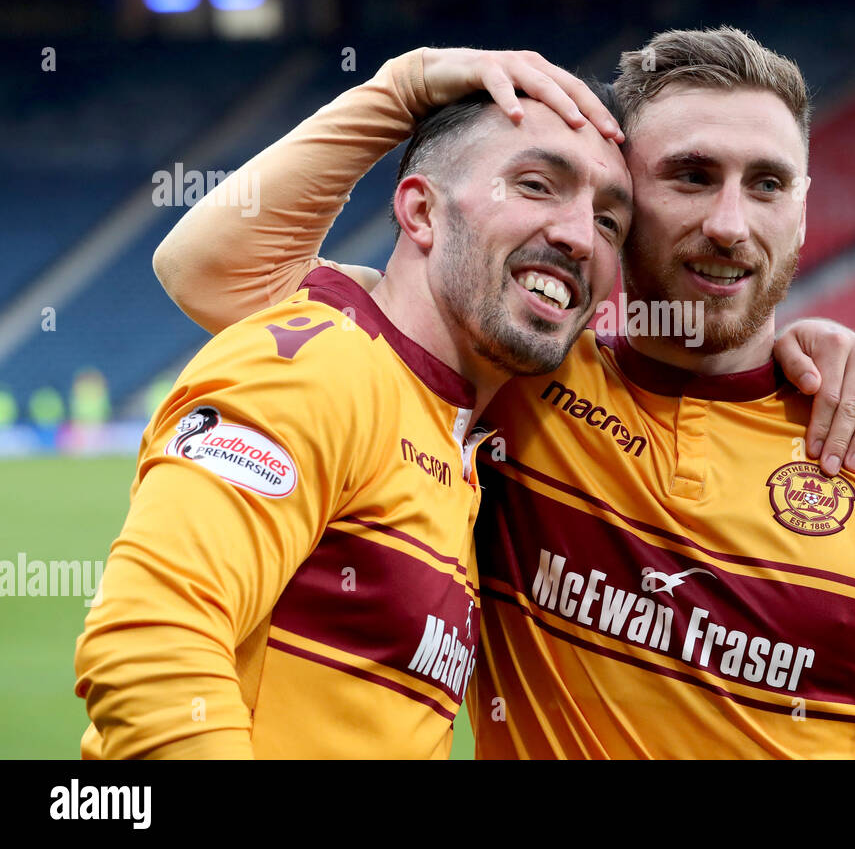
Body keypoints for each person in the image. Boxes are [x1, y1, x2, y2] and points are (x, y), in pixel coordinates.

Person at [157, 31, 855, 758]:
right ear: (618, 204)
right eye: (692, 176)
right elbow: (210, 273)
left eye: (767, 183)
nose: (732, 222)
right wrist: (404, 90)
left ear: (805, 210)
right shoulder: (512, 381)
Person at [74, 52, 637, 758]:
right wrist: (401, 87)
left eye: (610, 222)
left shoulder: (451, 416)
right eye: (534, 184)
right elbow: (152, 641)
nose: (580, 235)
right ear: (422, 210)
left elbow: (204, 269)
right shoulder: (317, 368)